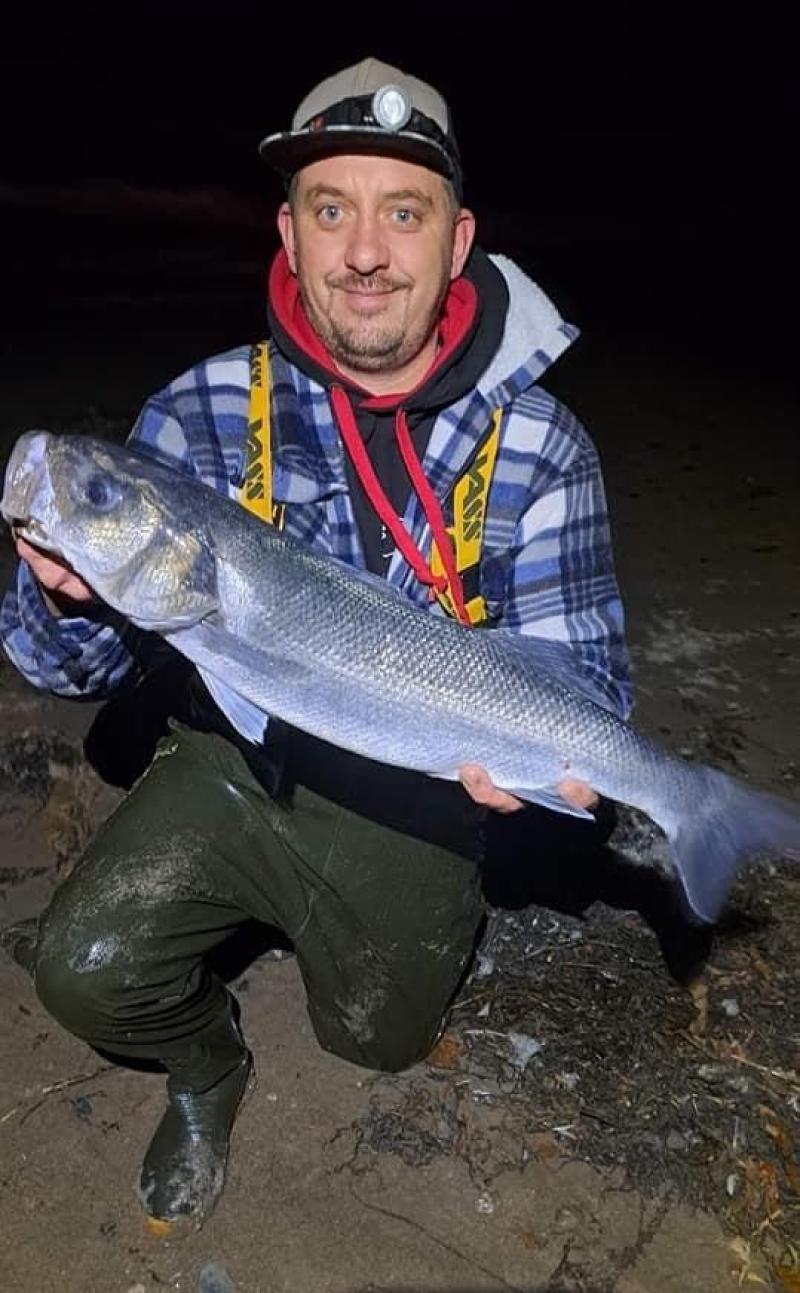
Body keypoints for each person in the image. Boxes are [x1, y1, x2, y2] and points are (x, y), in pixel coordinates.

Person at [0, 58, 632, 1225]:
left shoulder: (543, 447)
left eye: (405, 211)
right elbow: (64, 671)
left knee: (375, 1040)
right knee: (82, 970)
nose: (364, 251)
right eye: (328, 209)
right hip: (229, 755)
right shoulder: (195, 409)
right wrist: (68, 594)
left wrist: (566, 779)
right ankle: (207, 1063)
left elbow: (584, 684)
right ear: (287, 236)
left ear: (460, 240)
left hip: (419, 786)